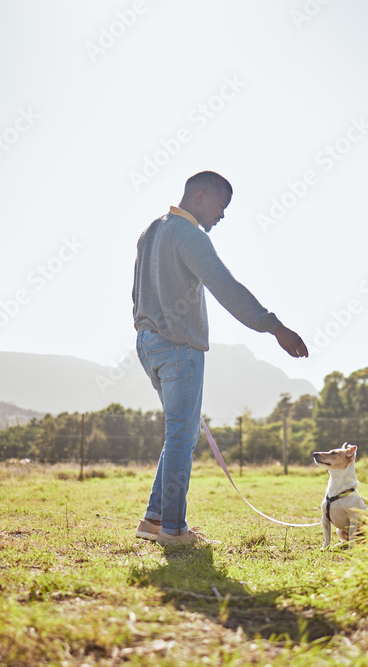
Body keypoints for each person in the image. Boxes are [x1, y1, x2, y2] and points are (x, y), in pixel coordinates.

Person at [131, 170, 308, 545]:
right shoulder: (189, 235)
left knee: (180, 432)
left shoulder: (150, 233)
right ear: (199, 196)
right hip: (180, 348)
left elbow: (137, 293)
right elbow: (225, 286)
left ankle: (154, 519)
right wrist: (274, 326)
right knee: (181, 435)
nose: (222, 215)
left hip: (148, 345)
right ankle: (173, 530)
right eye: (220, 205)